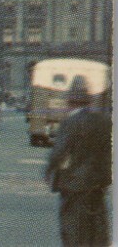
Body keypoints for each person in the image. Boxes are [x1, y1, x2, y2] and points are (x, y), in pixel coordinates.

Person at [45, 77, 111, 246]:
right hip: (97, 185)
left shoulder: (70, 122)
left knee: (73, 229)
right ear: (88, 101)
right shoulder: (103, 122)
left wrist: (49, 171)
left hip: (74, 185)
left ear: (70, 101)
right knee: (96, 229)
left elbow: (59, 153)